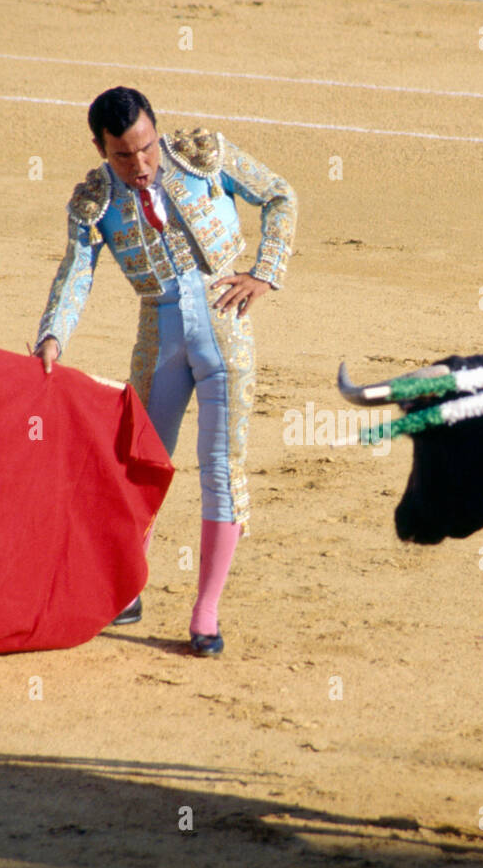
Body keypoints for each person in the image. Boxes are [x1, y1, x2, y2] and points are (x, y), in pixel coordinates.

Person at [32, 86, 297, 657]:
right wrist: (53, 333)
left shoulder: (202, 154)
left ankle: (206, 612)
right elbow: (76, 272)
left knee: (222, 468)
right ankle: (126, 585)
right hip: (158, 335)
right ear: (101, 149)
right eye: (123, 155)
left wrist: (265, 273)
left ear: (158, 131)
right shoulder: (94, 201)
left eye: (146, 147)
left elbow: (279, 195)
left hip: (226, 325)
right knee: (137, 464)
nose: (141, 165)